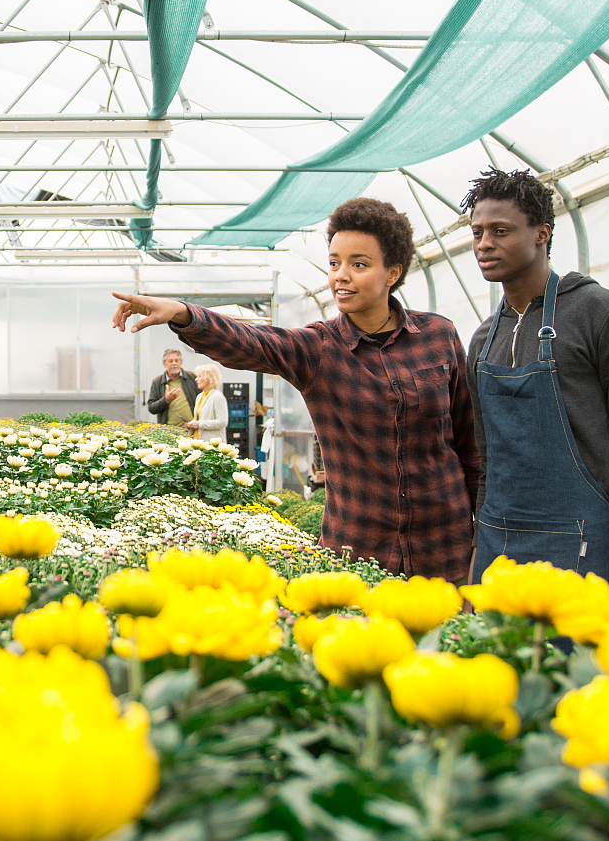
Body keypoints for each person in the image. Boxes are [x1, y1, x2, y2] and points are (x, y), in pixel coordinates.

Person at [112, 198, 482, 580]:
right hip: (358, 554)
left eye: (359, 264)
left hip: (444, 549)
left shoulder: (439, 336)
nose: (341, 275)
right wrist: (185, 314)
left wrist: (480, 538)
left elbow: (471, 444)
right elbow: (250, 341)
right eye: (335, 262)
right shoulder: (319, 348)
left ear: (393, 273)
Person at [464, 167, 609, 590]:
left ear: (541, 233)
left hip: (583, 552)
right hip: (497, 553)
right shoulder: (484, 339)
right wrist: (474, 569)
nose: (484, 244)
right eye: (477, 232)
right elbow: (487, 465)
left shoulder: (601, 314)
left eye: (500, 231)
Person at [145, 348, 198, 428]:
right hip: (169, 432)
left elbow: (202, 401)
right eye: (170, 361)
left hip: (192, 429)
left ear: (181, 362)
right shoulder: (157, 382)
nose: (174, 363)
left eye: (177, 360)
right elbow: (152, 408)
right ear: (164, 364)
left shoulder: (192, 377)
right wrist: (166, 400)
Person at [188, 368, 227, 442]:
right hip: (197, 441)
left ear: (209, 379)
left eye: (199, 376)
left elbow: (222, 422)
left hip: (211, 443)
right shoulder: (199, 396)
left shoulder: (218, 397)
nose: (196, 379)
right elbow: (199, 418)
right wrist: (191, 424)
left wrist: (200, 424)